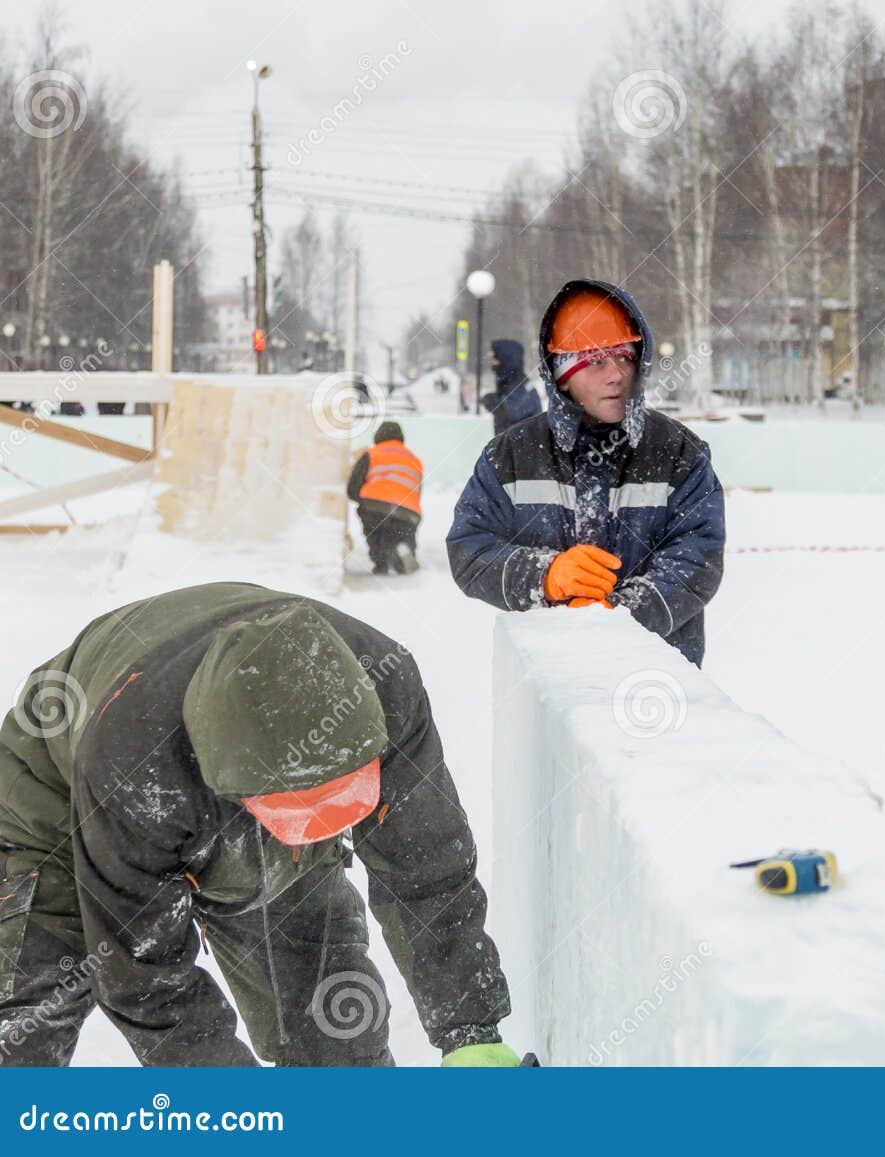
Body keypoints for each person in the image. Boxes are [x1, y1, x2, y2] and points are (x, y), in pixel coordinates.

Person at [0, 583, 518, 1067]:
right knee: (30, 1019)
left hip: (235, 774)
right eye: (304, 813)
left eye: (345, 803)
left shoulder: (384, 688)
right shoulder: (133, 766)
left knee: (334, 1026)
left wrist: (471, 1032)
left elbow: (427, 868)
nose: (322, 831)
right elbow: (142, 978)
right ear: (242, 792)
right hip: (56, 797)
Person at [447, 279, 724, 666]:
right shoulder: (510, 455)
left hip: (658, 678)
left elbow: (697, 558)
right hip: (550, 679)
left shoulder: (679, 452)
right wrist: (545, 575)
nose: (616, 375)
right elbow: (469, 550)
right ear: (561, 374)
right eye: (595, 361)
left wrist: (617, 614)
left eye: (625, 357)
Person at [346, 420, 421, 575]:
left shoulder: (372, 453)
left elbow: (353, 486)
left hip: (375, 507)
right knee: (403, 533)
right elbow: (417, 491)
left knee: (377, 536)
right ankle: (403, 549)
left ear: (378, 436)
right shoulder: (414, 459)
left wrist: (362, 501)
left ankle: (381, 562)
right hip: (408, 511)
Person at [480, 339, 543, 435]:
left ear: (506, 359)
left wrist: (493, 401)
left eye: (495, 358)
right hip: (512, 446)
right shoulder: (508, 381)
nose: (493, 362)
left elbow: (513, 411)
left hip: (522, 447)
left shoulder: (518, 382)